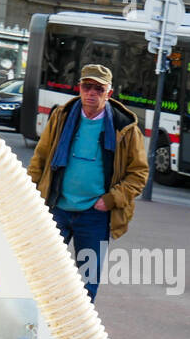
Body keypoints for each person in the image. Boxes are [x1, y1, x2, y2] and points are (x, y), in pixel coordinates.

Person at [27, 64, 149, 301]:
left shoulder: (125, 128)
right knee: (42, 276)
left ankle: (77, 335)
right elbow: (39, 160)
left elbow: (139, 173)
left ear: (109, 93)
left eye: (99, 88)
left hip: (95, 216)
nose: (92, 92)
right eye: (87, 86)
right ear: (79, 88)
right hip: (56, 209)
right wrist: (31, 197)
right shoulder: (61, 117)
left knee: (86, 285)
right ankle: (44, 329)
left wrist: (111, 199)